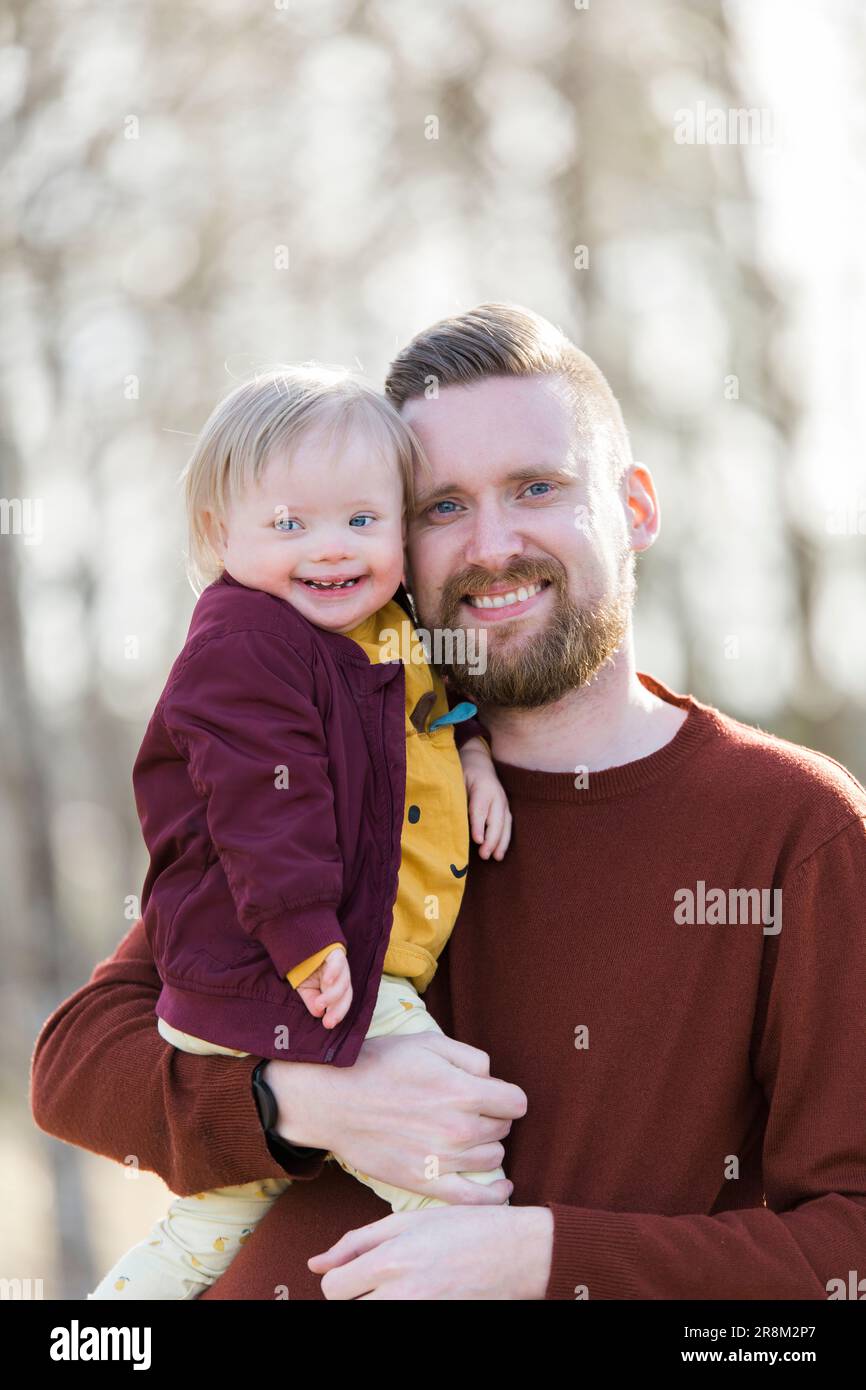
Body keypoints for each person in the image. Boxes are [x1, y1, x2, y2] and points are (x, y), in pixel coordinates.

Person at [32, 304, 866, 1299]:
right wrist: (301, 1105)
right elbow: (77, 1062)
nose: (490, 543)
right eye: (438, 506)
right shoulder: (331, 768)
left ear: (634, 505)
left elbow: (845, 1253)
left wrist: (544, 1258)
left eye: (536, 487)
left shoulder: (792, 829)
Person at [87, 364, 512, 1300]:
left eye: (364, 521)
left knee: (207, 1224)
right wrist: (304, 935)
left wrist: (476, 758)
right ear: (217, 535)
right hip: (295, 969)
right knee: (460, 1187)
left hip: (309, 967)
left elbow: (433, 708)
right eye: (290, 525)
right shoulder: (248, 645)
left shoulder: (382, 628)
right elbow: (258, 807)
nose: (331, 550)